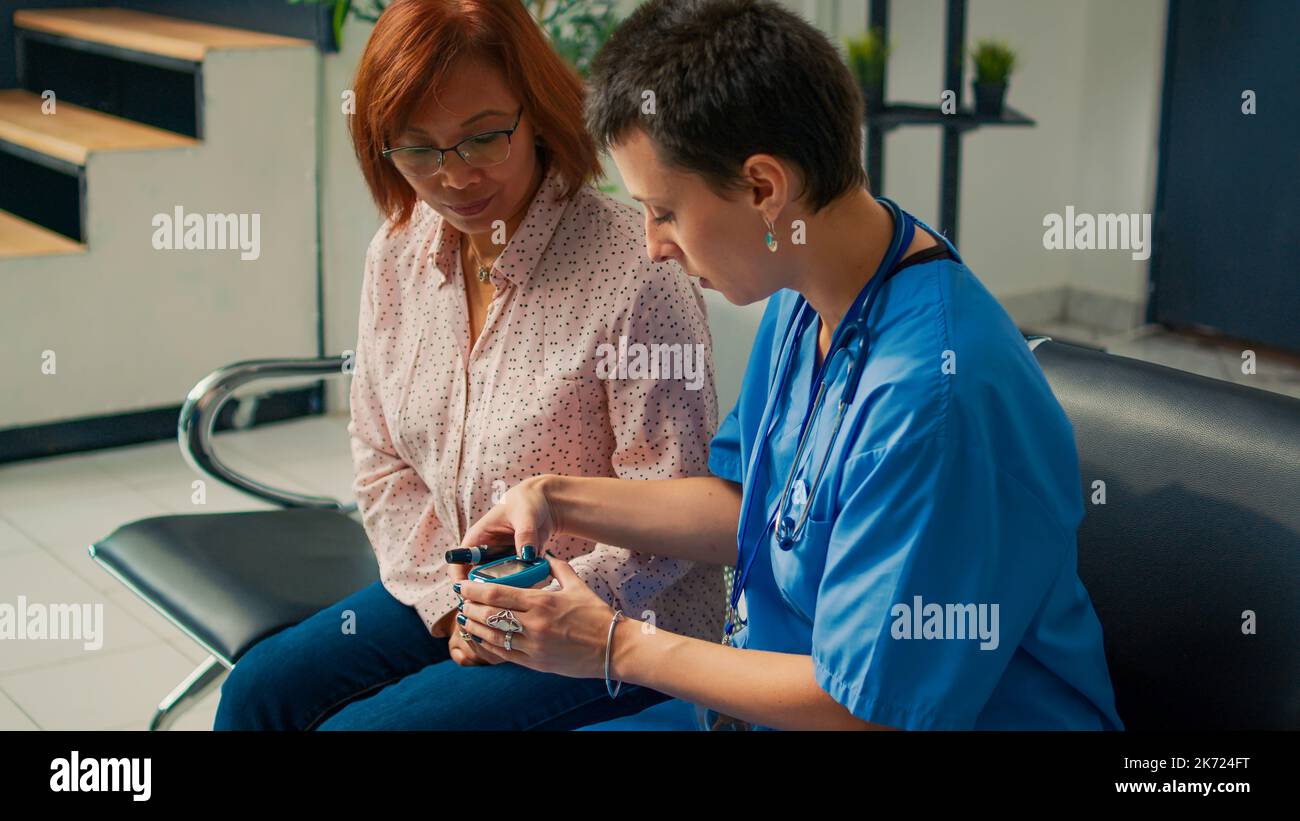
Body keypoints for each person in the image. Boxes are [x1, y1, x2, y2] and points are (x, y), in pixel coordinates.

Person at [456, 0, 1123, 731]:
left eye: (665, 211)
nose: (653, 246)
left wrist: (614, 645)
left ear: (764, 188)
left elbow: (864, 710)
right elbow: (756, 507)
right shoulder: (818, 285)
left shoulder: (933, 401)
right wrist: (552, 496)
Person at [214, 0, 722, 731]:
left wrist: (509, 616)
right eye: (417, 149)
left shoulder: (633, 270)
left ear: (537, 109)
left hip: (603, 613)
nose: (453, 177)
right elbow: (381, 457)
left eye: (483, 137)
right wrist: (452, 603)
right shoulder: (398, 253)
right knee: (259, 692)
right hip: (453, 593)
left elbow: (675, 509)